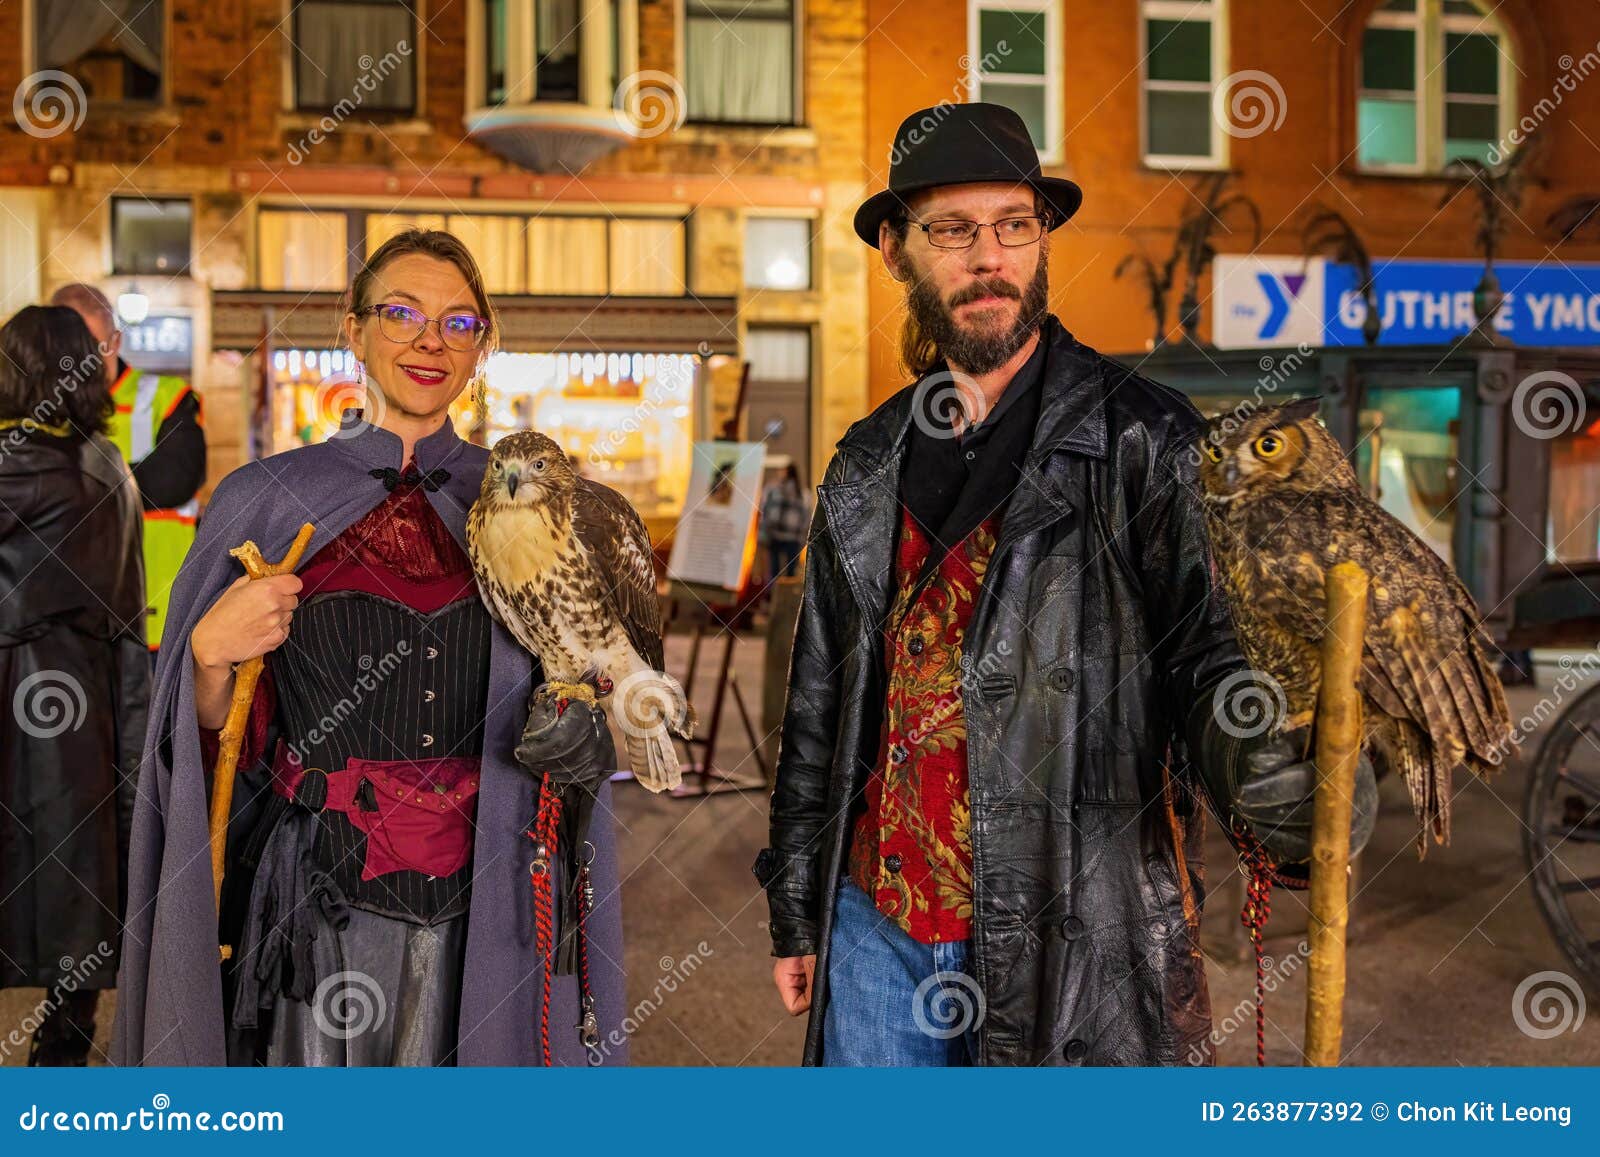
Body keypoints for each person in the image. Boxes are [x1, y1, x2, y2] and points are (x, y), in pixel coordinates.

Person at [751, 103, 1378, 1066]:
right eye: (952, 230)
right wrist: (798, 899)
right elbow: (821, 705)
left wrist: (1267, 763)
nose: (988, 256)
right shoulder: (865, 464)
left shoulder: (1147, 441)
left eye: (1013, 223)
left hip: (1078, 928)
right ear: (894, 250)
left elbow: (1211, 654)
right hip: (875, 928)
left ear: (1042, 239)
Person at [111, 229, 627, 1066]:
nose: (431, 340)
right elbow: (212, 741)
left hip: (490, 896)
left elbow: (594, 678)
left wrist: (592, 713)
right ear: (352, 330)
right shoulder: (266, 498)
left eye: (459, 323)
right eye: (402, 313)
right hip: (320, 902)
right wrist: (207, 653)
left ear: (482, 346)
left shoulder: (530, 504)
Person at [0, 306, 148, 1065]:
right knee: (75, 910)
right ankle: (57, 1085)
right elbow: (129, 630)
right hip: (81, 730)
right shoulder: (111, 473)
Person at [51, 283, 207, 661]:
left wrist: (65, 486)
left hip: (154, 619)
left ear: (116, 341)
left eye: (97, 346)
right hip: (65, 624)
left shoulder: (167, 396)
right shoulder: (37, 410)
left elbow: (174, 480)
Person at [759, 463, 809, 588]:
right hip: (790, 538)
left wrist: (764, 533)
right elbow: (806, 518)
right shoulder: (802, 493)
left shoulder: (774, 490)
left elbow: (765, 512)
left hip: (779, 536)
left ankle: (774, 598)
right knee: (789, 573)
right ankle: (786, 600)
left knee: (774, 572)